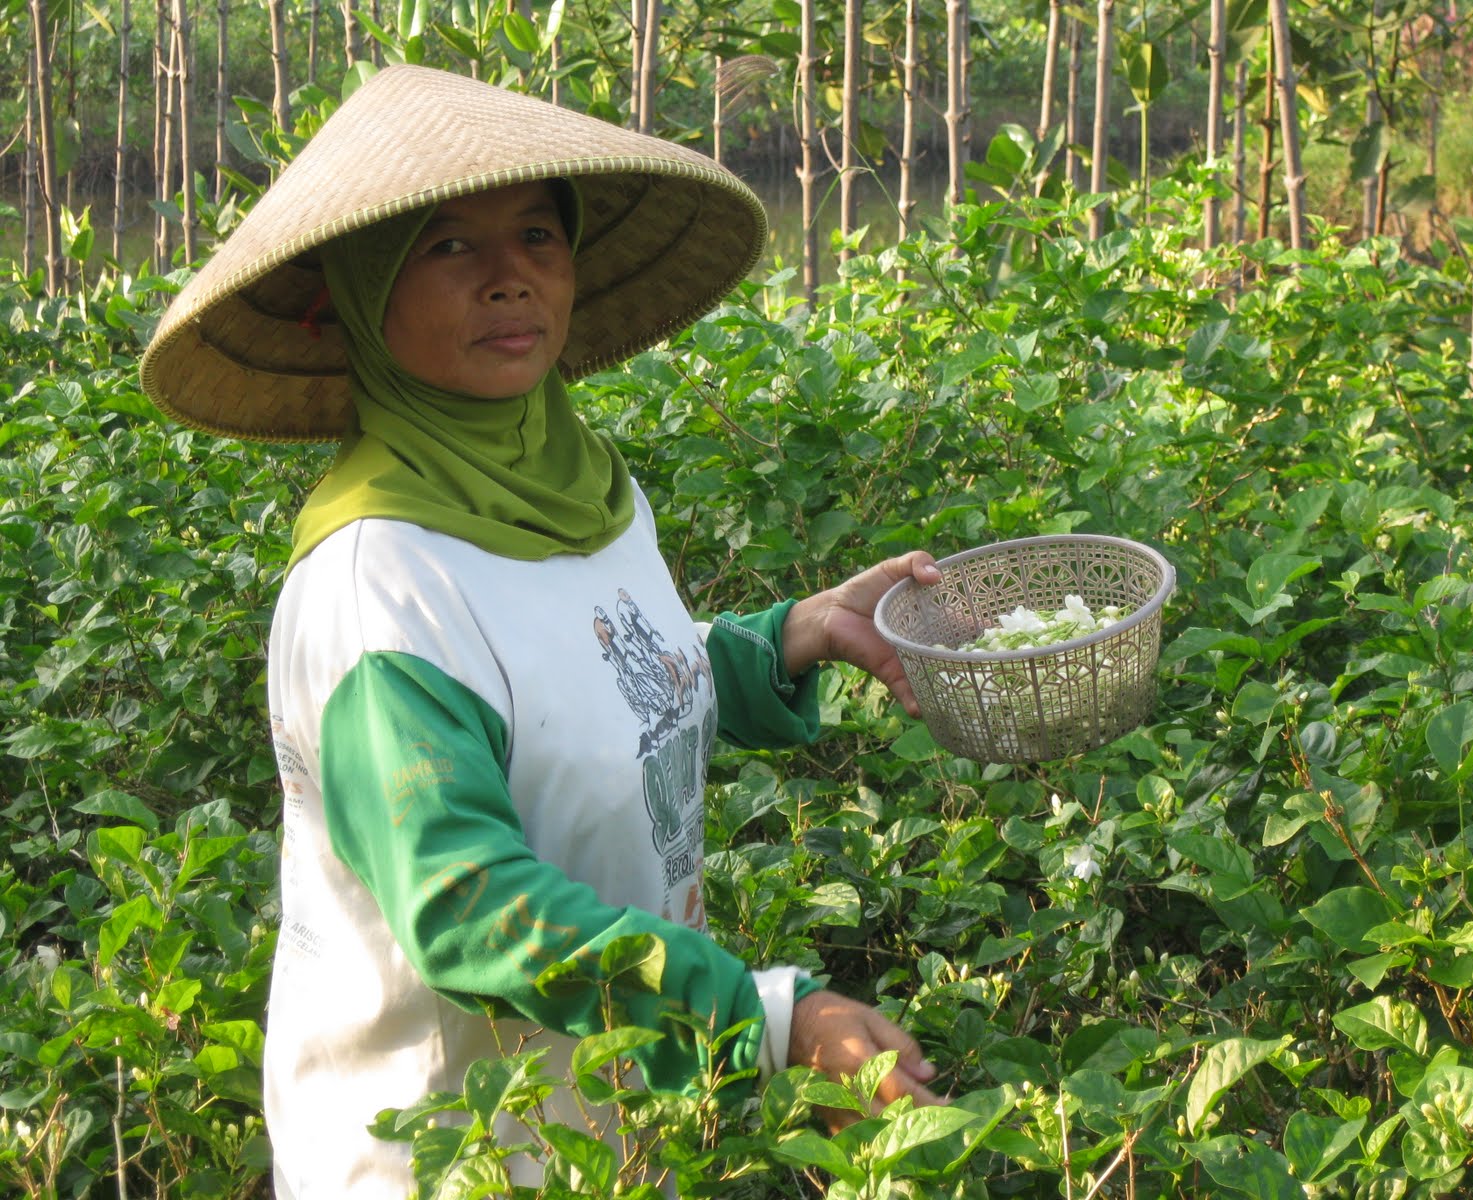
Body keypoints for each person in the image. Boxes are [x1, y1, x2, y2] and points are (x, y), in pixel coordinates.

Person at [141, 65, 944, 1198]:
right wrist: (769, 1016)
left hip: (600, 1131)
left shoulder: (583, 484)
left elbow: (598, 691)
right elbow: (465, 904)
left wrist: (787, 638)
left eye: (535, 234)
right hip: (440, 1156)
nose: (512, 279)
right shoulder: (381, 586)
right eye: (448, 247)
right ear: (363, 290)